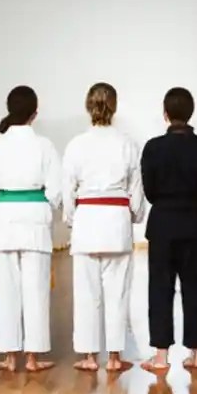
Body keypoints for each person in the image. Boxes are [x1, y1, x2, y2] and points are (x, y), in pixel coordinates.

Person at [0, 86, 62, 373]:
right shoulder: (45, 146)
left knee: (5, 290)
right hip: (35, 217)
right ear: (34, 114)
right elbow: (55, 191)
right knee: (36, 289)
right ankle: (33, 358)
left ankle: (10, 356)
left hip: (4, 218)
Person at [63, 83, 144, 373]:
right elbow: (137, 190)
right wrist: (134, 216)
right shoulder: (127, 144)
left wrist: (74, 219)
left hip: (87, 220)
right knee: (118, 292)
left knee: (86, 294)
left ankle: (88, 356)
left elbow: (67, 190)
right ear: (115, 106)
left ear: (88, 106)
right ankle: (113, 357)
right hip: (116, 221)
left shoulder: (76, 144)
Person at [140, 87, 197, 373]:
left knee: (160, 289)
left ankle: (161, 357)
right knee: (195, 288)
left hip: (162, 223)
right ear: (190, 112)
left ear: (166, 114)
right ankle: (195, 354)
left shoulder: (153, 148)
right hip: (195, 223)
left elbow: (149, 191)